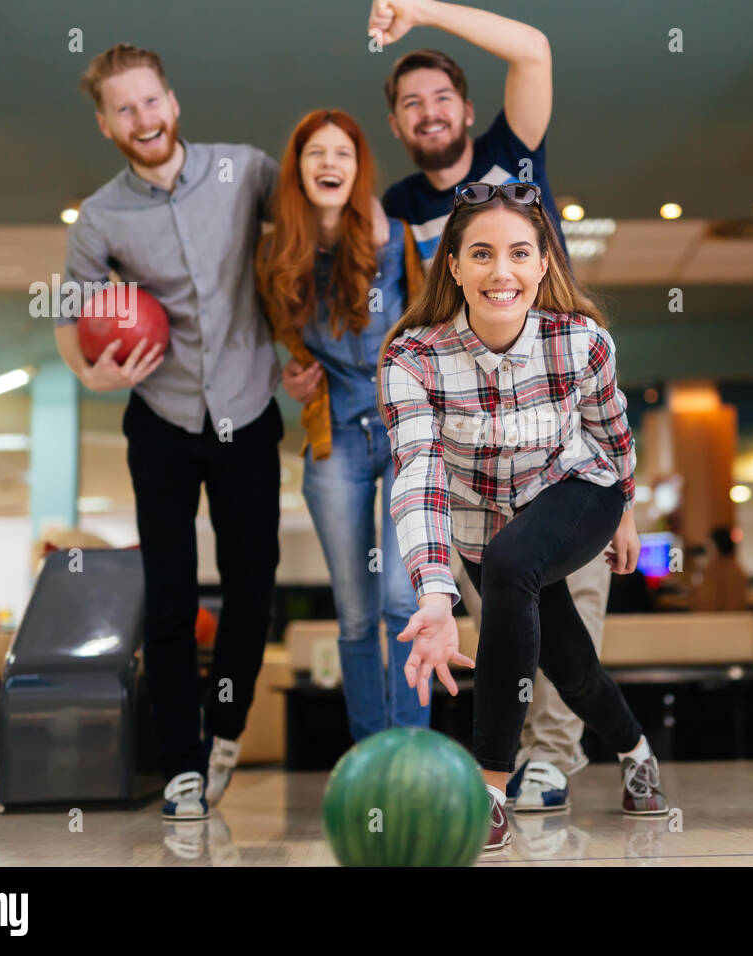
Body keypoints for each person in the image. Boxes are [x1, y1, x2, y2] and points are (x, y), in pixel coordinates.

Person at [378, 182, 668, 852]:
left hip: (577, 491)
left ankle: (488, 791)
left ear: (544, 265)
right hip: (481, 521)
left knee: (514, 561)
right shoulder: (413, 360)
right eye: (480, 254)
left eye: (517, 254)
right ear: (453, 267)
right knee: (570, 664)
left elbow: (612, 431)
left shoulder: (580, 343)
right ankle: (637, 755)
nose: (500, 272)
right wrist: (433, 592)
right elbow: (418, 476)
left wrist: (625, 508)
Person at [370, 0, 600, 815]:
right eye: (411, 104)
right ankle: (503, 757)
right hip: (472, 433)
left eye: (441, 97)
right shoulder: (396, 208)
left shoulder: (513, 158)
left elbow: (533, 48)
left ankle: (550, 760)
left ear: (467, 110)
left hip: (558, 411)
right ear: (397, 124)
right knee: (501, 599)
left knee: (572, 591)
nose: (429, 113)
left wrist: (417, 10)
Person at [56, 43, 285, 820]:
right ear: (104, 124)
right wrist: (89, 373)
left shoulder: (245, 171)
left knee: (254, 592)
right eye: (124, 109)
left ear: (172, 102)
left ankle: (225, 729)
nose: (142, 118)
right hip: (160, 417)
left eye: (150, 101)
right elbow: (71, 313)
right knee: (170, 595)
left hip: (248, 411)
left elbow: (311, 243)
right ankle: (182, 765)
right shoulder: (99, 217)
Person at [256, 109, 430, 740]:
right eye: (315, 154)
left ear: (359, 171)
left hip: (406, 432)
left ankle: (411, 752)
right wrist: (293, 373)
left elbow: (431, 326)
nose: (329, 163)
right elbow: (280, 335)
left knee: (401, 602)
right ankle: (370, 756)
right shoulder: (277, 253)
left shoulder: (396, 237)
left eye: (343, 154)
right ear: (298, 171)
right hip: (334, 438)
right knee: (355, 615)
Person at [689, 526, 752, 612]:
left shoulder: (712, 570)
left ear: (715, 546)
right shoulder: (738, 570)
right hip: (736, 622)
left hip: (717, 622)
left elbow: (705, 606)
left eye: (708, 544)